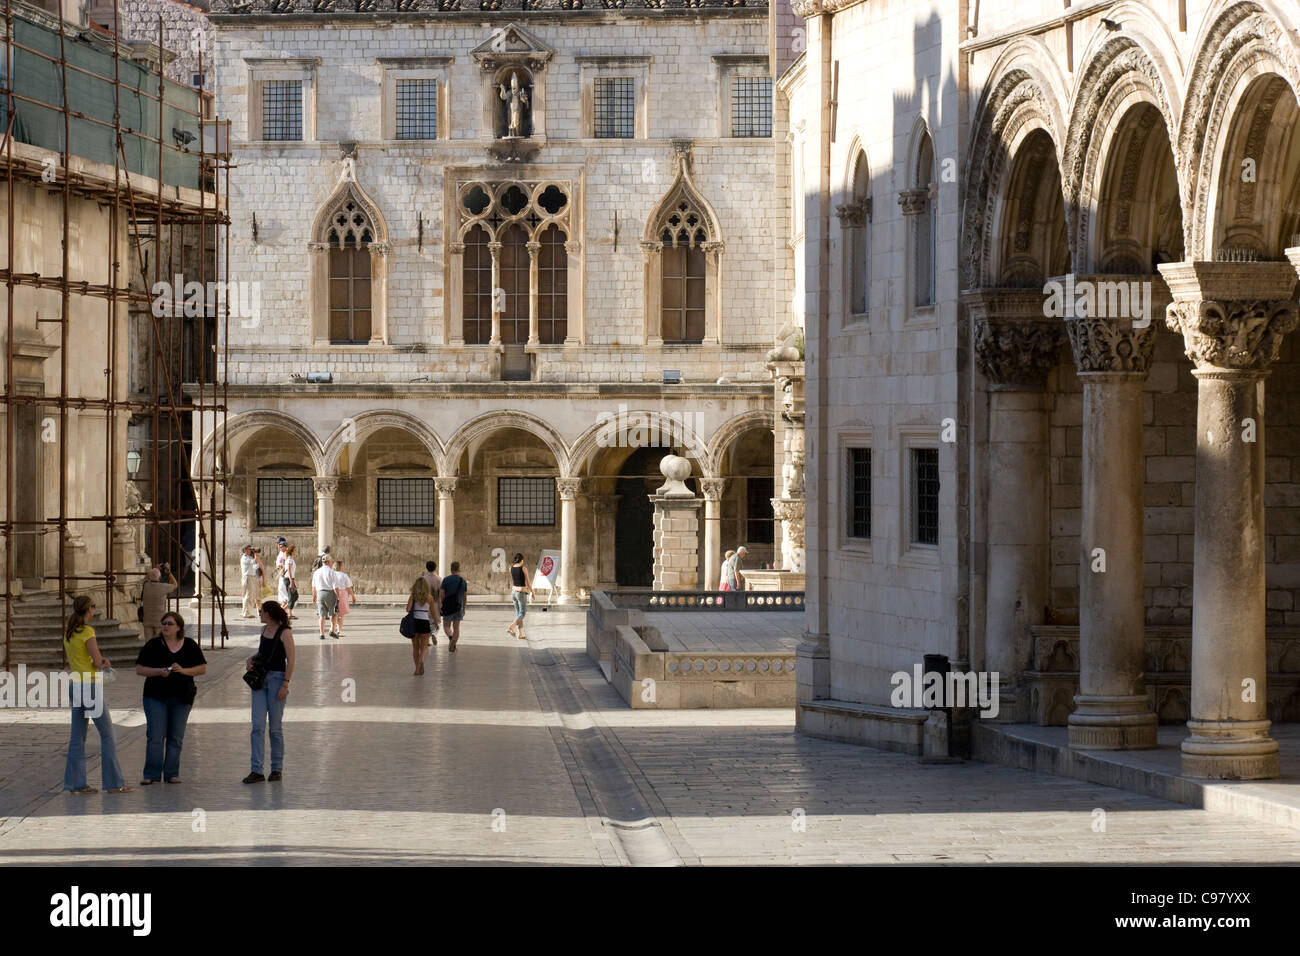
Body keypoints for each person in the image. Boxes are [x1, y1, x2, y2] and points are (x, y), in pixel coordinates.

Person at [63, 595, 133, 794]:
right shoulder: (87, 631)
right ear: (88, 609)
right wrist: (105, 662)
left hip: (74, 684)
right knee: (107, 734)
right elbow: (96, 661)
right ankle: (114, 783)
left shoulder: (68, 633)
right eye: (93, 607)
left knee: (77, 737)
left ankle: (75, 784)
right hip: (89, 686)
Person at [134, 612, 207, 785]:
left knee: (176, 737)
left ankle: (171, 773)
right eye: (164, 623)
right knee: (156, 736)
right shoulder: (153, 645)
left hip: (182, 698)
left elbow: (202, 668)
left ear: (179, 627)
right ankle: (151, 774)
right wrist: (159, 672)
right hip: (155, 696)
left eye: (169, 624)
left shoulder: (189, 645)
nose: (165, 627)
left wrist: (183, 671)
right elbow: (139, 669)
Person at [245, 600, 295, 783]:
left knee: (275, 728)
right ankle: (256, 769)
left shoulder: (285, 633)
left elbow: (291, 660)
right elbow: (262, 653)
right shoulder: (263, 631)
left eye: (261, 611)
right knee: (257, 725)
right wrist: (251, 660)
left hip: (277, 680)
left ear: (270, 614)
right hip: (260, 680)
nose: (259, 614)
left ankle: (276, 768)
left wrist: (285, 684)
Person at [139, 563, 178, 637]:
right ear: (160, 577)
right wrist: (169, 572)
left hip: (147, 620)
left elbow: (145, 578)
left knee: (149, 644)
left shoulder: (145, 585)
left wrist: (155, 568)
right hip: (159, 621)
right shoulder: (164, 587)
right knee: (159, 643)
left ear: (150, 577)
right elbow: (175, 584)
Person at [405, 577, 434, 675]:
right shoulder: (430, 597)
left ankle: (417, 669)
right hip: (425, 623)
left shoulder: (413, 596)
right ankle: (421, 661)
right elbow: (433, 613)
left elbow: (408, 609)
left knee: (415, 648)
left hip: (414, 623)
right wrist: (436, 624)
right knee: (424, 647)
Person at [439, 561, 467, 653]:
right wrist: (464, 608)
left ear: (451, 569)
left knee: (446, 626)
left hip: (447, 606)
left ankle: (451, 638)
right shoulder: (463, 581)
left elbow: (442, 594)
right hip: (458, 607)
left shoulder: (446, 580)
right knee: (456, 628)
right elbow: (464, 596)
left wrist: (441, 605)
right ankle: (453, 644)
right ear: (459, 569)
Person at [311, 555, 341, 640]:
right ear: (328, 562)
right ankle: (332, 630)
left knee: (322, 615)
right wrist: (338, 596)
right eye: (331, 561)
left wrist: (314, 596)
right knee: (333, 614)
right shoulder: (332, 572)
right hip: (330, 593)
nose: (332, 563)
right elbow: (335, 586)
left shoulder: (316, 572)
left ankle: (321, 633)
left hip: (320, 593)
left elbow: (313, 586)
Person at [506, 553, 535, 640]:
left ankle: (520, 634)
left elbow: (514, 580)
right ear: (522, 560)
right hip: (521, 593)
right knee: (522, 613)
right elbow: (528, 582)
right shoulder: (523, 568)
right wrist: (532, 592)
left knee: (518, 614)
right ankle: (511, 627)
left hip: (513, 592)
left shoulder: (510, 568)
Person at [421, 560, 441, 641]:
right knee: (436, 621)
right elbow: (441, 592)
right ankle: (434, 633)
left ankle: (427, 640)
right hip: (435, 603)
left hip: (425, 603)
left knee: (426, 621)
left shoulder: (423, 579)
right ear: (435, 568)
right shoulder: (439, 579)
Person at [240, 545, 262, 617]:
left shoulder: (249, 557)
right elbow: (255, 561)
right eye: (249, 549)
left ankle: (246, 612)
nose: (251, 551)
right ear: (245, 550)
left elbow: (256, 565)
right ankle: (246, 613)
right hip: (248, 577)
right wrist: (256, 553)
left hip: (251, 577)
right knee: (248, 595)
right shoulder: (244, 558)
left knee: (249, 595)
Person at [334, 559, 355, 636]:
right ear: (341, 567)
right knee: (341, 614)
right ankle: (339, 630)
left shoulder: (331, 574)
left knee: (333, 613)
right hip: (342, 594)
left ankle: (333, 628)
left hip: (332, 594)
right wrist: (353, 596)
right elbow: (349, 587)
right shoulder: (344, 575)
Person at [278, 544, 298, 619]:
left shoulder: (290, 559)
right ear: (292, 551)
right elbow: (289, 571)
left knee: (294, 596)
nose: (296, 552)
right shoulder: (289, 559)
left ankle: (283, 611)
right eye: (295, 550)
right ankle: (289, 613)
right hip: (289, 579)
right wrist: (291, 581)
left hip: (290, 579)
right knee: (292, 596)